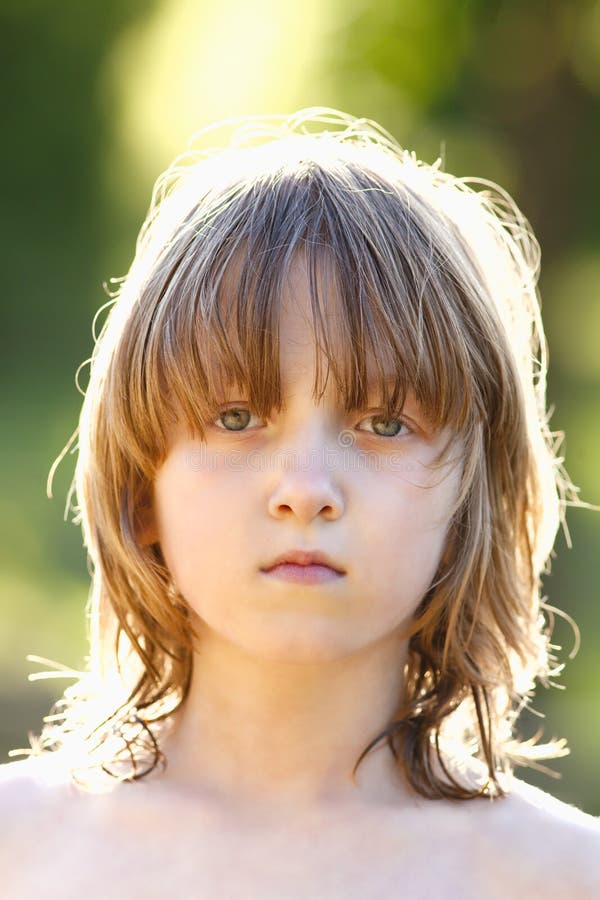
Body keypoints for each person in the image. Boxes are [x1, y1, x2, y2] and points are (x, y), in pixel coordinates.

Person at [1, 108, 598, 897]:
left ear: (470, 498)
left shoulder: (564, 877)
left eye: (385, 424)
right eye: (236, 418)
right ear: (142, 485)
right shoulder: (20, 853)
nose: (307, 490)